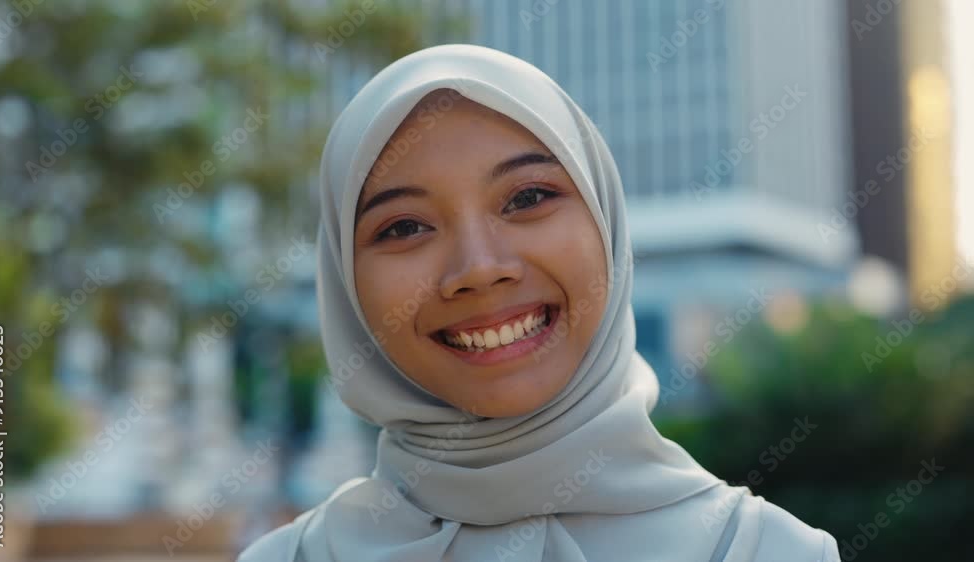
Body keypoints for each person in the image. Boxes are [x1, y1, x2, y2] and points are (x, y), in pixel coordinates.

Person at [238, 44, 839, 562]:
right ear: (344, 281)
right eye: (403, 228)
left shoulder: (766, 551)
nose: (478, 268)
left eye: (527, 197)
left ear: (606, 220)